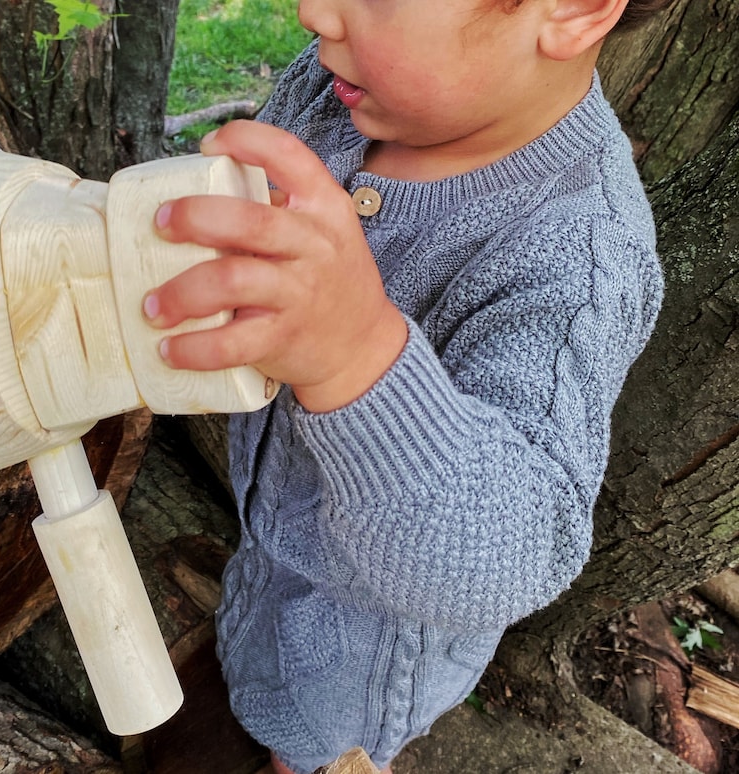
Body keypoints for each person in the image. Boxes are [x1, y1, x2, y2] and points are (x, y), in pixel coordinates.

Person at [141, 0, 668, 771]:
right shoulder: (344, 89)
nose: (311, 13)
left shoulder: (579, 255)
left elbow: (514, 552)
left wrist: (357, 357)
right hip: (268, 557)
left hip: (356, 667)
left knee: (303, 741)